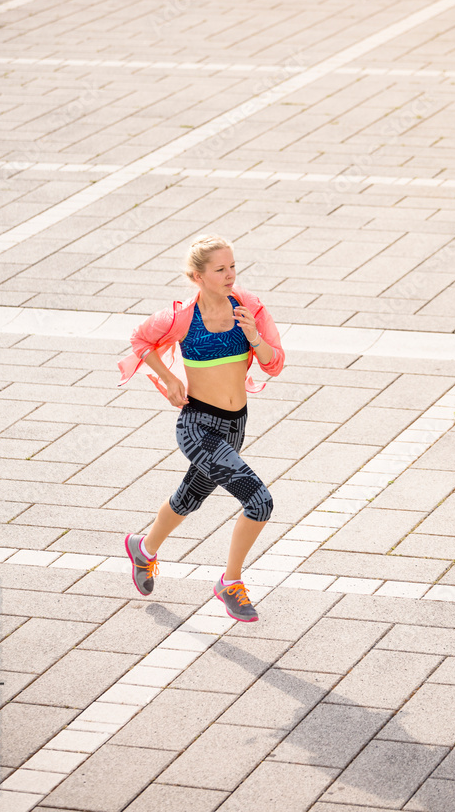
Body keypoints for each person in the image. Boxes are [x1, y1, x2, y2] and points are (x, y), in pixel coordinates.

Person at [117, 234, 285, 622]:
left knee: (190, 498)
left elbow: (274, 363)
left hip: (235, 426)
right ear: (198, 276)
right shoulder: (181, 317)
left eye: (233, 267)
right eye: (220, 269)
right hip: (197, 425)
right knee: (259, 502)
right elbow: (140, 339)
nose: (230, 275)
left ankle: (143, 548)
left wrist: (254, 338)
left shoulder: (249, 307)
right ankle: (230, 583)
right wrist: (168, 379)